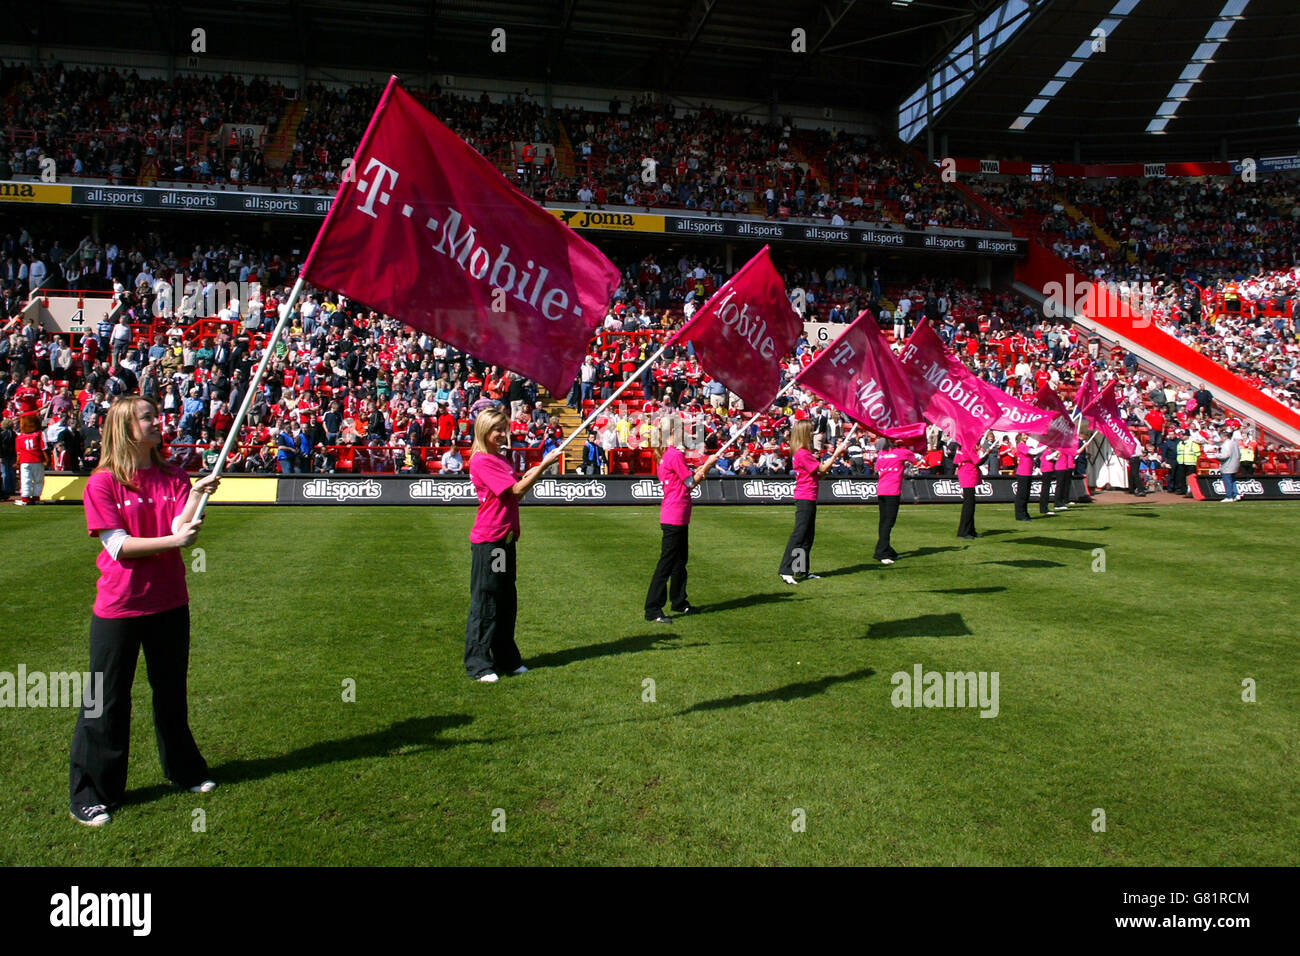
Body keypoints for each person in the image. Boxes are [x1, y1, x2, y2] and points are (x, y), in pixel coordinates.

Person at [68, 396, 221, 827]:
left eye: (157, 415)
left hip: (170, 602)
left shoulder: (174, 475)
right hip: (119, 608)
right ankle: (91, 792)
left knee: (171, 693)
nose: (158, 422)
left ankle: (184, 770)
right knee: (106, 700)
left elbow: (178, 526)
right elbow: (119, 547)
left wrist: (194, 495)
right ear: (124, 427)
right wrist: (176, 543)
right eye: (147, 417)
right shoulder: (102, 483)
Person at [464, 406, 561, 683]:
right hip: (491, 541)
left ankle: (506, 657)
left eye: (504, 429)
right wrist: (543, 465)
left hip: (504, 540)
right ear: (484, 431)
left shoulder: (499, 459)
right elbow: (515, 490)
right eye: (497, 430)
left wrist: (535, 471)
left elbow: (514, 490)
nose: (503, 434)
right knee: (487, 600)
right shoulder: (483, 461)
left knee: (506, 600)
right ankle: (479, 663)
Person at [644, 417, 718, 623]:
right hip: (675, 514)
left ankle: (679, 601)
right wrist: (708, 466)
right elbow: (689, 483)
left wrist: (701, 469)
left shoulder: (666, 454)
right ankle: (653, 608)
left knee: (678, 562)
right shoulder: (674, 454)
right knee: (668, 563)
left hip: (675, 513)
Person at [779, 421, 852, 584]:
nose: (813, 434)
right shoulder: (802, 453)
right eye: (810, 431)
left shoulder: (803, 453)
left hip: (809, 496)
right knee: (799, 534)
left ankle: (801, 570)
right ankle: (786, 569)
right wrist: (836, 453)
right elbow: (822, 469)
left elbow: (818, 474)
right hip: (805, 497)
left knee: (807, 536)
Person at [874, 438, 923, 564]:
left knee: (883, 521)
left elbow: (877, 469)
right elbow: (917, 458)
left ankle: (887, 549)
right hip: (892, 490)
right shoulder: (901, 452)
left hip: (881, 489)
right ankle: (882, 552)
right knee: (888, 522)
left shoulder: (881, 454)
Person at [955, 439, 985, 539]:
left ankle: (970, 530)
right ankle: (964, 531)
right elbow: (977, 461)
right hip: (968, 475)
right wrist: (985, 454)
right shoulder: (968, 447)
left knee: (970, 504)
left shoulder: (962, 447)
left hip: (966, 473)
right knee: (969, 505)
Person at [15, 413, 46, 505]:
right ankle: (36, 497)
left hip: (24, 461)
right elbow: (44, 448)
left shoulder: (19, 437)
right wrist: (46, 459)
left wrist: (17, 462)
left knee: (25, 479)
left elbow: (18, 452)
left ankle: (25, 498)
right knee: (38, 480)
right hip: (37, 460)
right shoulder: (39, 434)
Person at [1012, 432, 1034, 521]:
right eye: (1024, 435)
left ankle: (1024, 513)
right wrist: (1045, 445)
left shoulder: (1026, 445)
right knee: (1022, 494)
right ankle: (1020, 514)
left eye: (1026, 435)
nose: (1026, 436)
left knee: (1026, 494)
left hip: (1028, 472)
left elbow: (1034, 454)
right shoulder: (1021, 446)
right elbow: (1033, 451)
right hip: (1023, 472)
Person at [1215, 430, 1242, 502]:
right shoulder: (1234, 443)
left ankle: (1229, 496)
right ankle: (1236, 495)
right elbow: (1239, 454)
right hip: (1235, 464)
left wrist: (1216, 455)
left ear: (1225, 437)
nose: (1221, 438)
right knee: (1233, 480)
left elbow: (1225, 455)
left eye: (1221, 437)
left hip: (1228, 465)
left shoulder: (1226, 444)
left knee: (1227, 481)